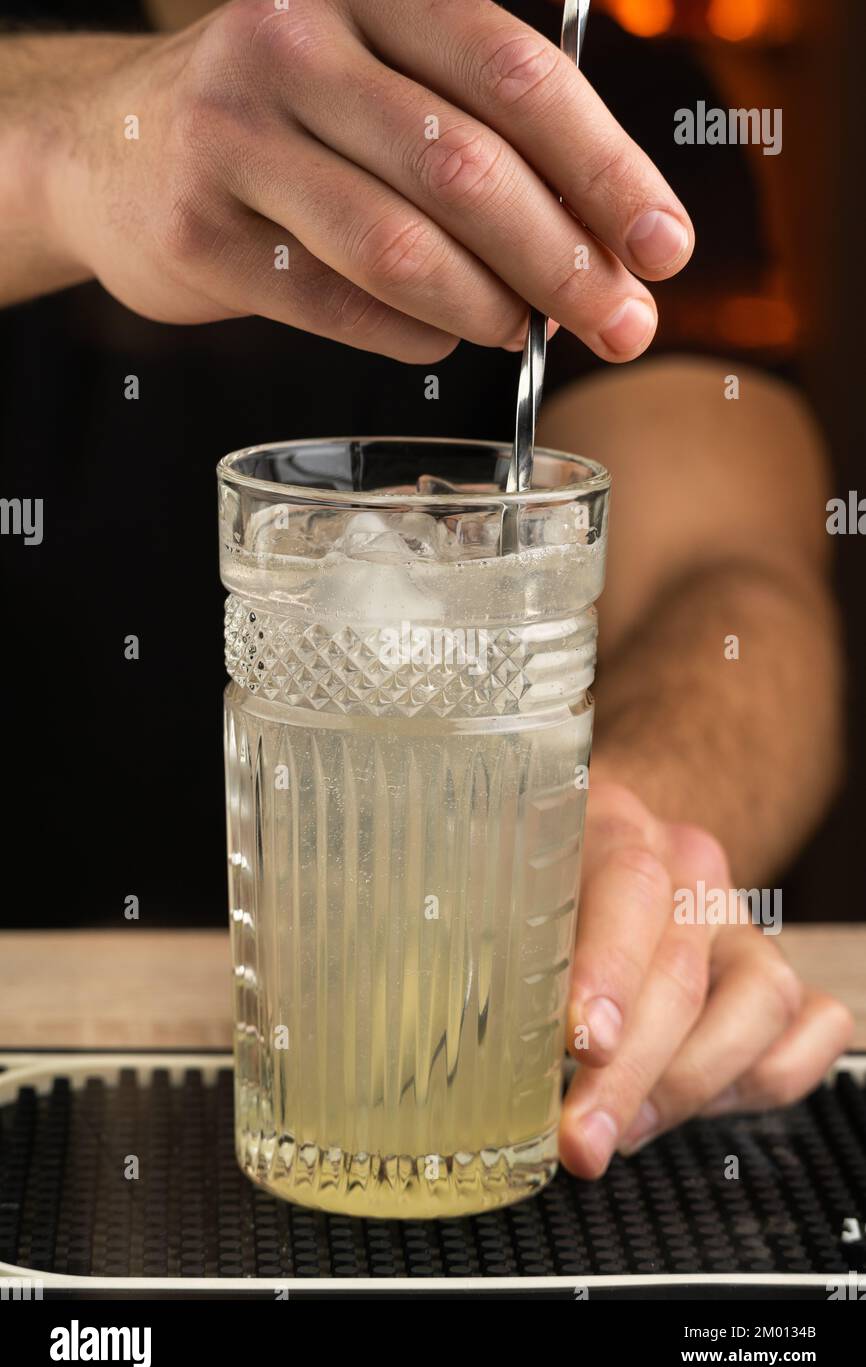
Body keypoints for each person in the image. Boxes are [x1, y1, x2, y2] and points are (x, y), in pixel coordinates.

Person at [0, 0, 853, 1180]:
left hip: (464, 1093)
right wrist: (57, 147)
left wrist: (627, 832)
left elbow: (735, 581)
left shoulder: (596, 94)